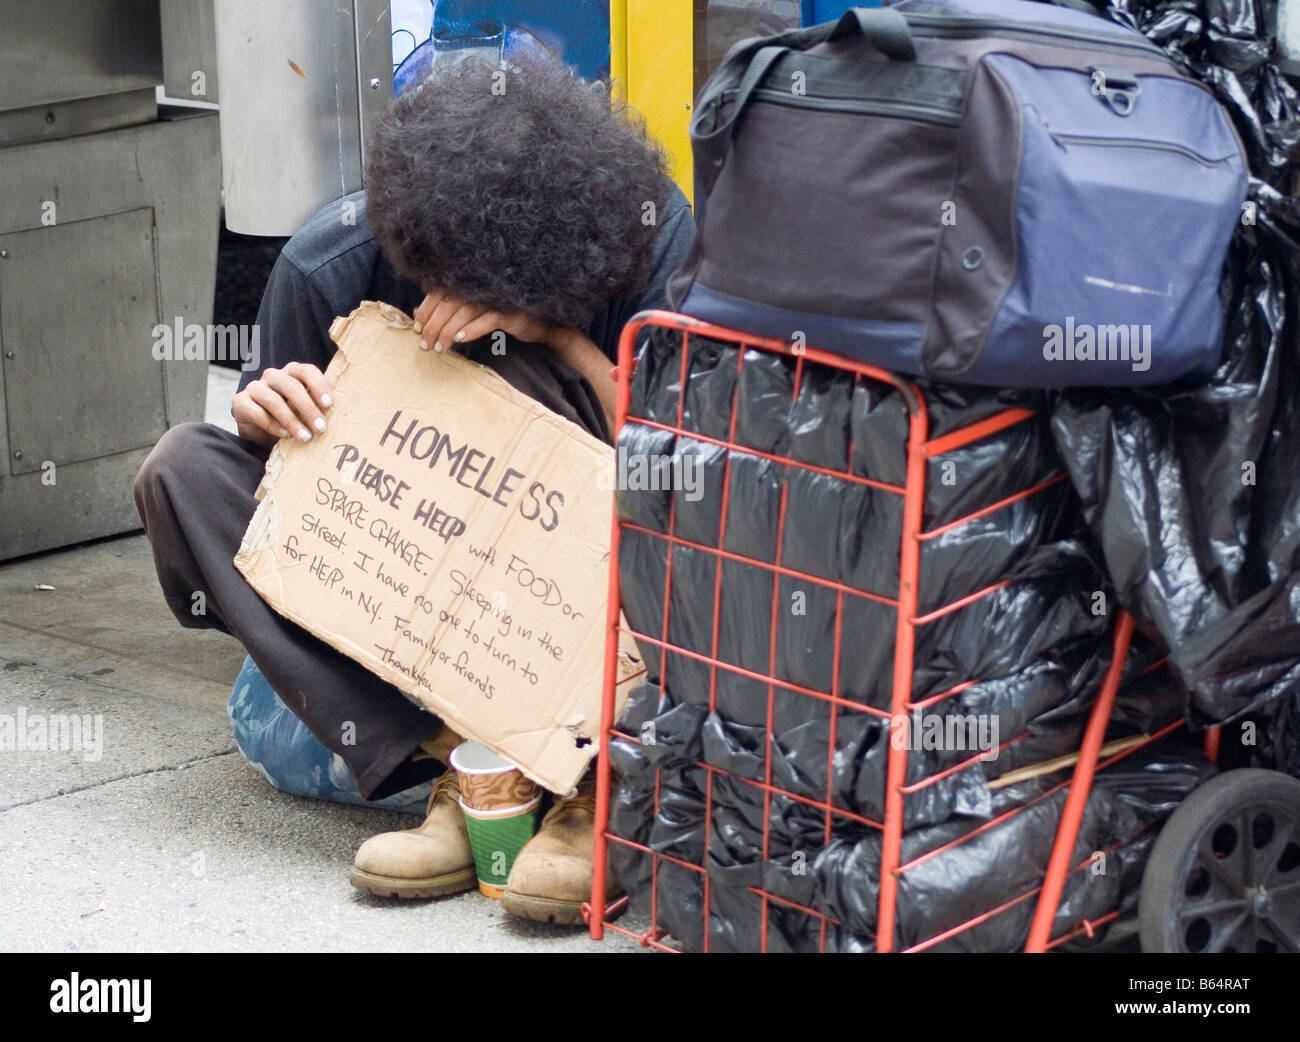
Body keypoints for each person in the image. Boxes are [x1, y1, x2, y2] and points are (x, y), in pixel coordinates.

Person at [132, 54, 694, 925]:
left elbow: (690, 471)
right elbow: (278, 485)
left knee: (508, 371)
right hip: (403, 617)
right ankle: (466, 771)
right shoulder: (333, 258)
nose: (452, 302)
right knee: (180, 466)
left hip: (595, 617)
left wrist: (548, 336)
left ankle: (592, 781)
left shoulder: (646, 234)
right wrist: (261, 417)